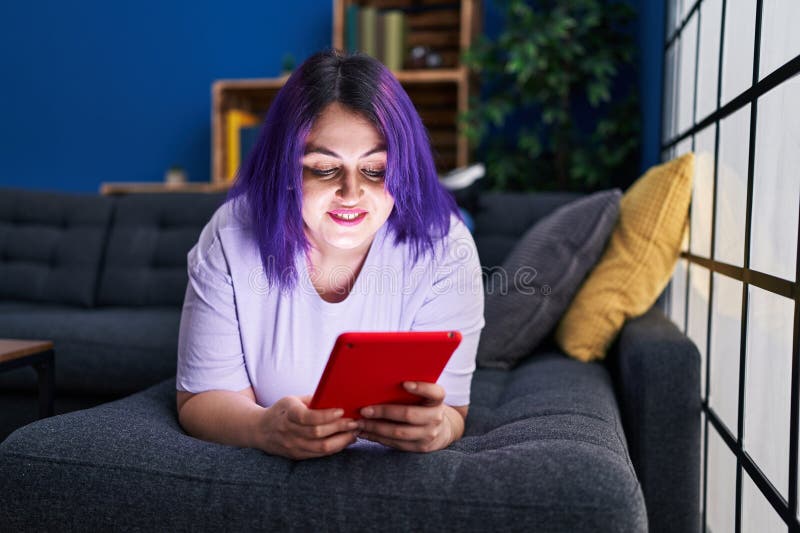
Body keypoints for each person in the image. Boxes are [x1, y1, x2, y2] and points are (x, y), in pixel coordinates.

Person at [175, 50, 485, 460]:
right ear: (284, 170)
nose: (352, 193)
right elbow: (200, 398)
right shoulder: (232, 234)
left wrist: (438, 427)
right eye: (324, 168)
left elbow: (452, 410)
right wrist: (262, 428)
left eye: (376, 170)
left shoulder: (446, 246)